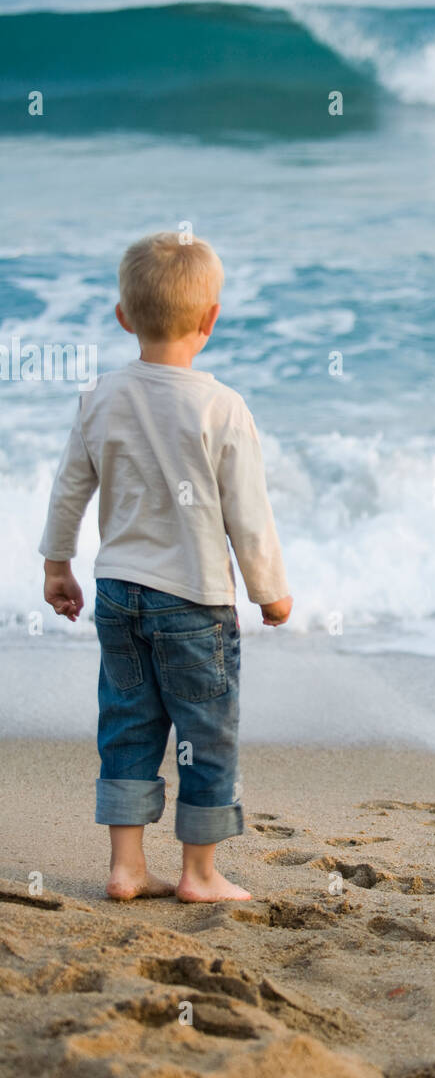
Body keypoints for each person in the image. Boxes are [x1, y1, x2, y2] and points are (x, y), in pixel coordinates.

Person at [39, 232, 292, 904]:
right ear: (211, 320)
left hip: (118, 593)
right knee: (206, 735)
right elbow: (249, 516)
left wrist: (56, 566)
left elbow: (70, 489)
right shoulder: (222, 407)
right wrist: (271, 593)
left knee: (128, 722)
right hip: (194, 600)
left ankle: (125, 869)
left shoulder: (100, 395)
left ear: (124, 317)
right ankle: (199, 874)